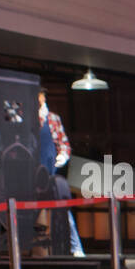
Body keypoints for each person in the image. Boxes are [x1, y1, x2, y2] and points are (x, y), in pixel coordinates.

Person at [37, 88, 84, 256]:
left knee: (64, 211)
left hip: (50, 172)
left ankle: (76, 248)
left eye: (39, 96)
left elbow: (64, 144)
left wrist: (62, 156)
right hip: (31, 172)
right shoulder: (26, 119)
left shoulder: (53, 119)